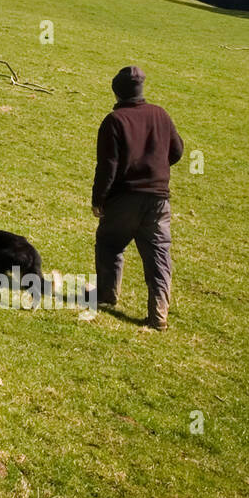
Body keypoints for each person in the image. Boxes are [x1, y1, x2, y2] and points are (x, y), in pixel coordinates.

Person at [91, 66, 183, 330]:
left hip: (124, 198)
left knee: (109, 243)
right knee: (158, 255)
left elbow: (107, 166)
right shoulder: (161, 115)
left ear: (117, 92)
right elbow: (176, 152)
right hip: (158, 200)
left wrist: (98, 199)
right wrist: (155, 166)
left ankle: (107, 295)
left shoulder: (115, 121)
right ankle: (158, 315)